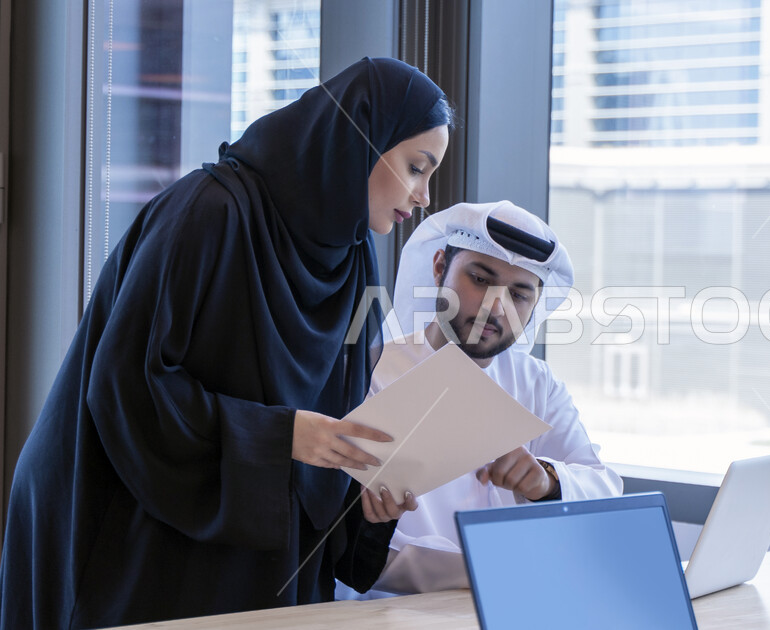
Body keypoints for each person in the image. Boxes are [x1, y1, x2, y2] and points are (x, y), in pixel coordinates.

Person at [0, 58, 451, 628]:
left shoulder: (353, 258)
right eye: (417, 167)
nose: (425, 195)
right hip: (128, 518)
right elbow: (128, 388)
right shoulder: (210, 212)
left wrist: (363, 501)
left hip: (252, 539)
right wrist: (283, 435)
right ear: (356, 139)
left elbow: (333, 419)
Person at [337, 200, 623, 597]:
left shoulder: (537, 382)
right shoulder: (367, 374)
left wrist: (546, 480)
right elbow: (350, 548)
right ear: (439, 267)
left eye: (519, 295)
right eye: (481, 280)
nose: (495, 307)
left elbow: (605, 489)